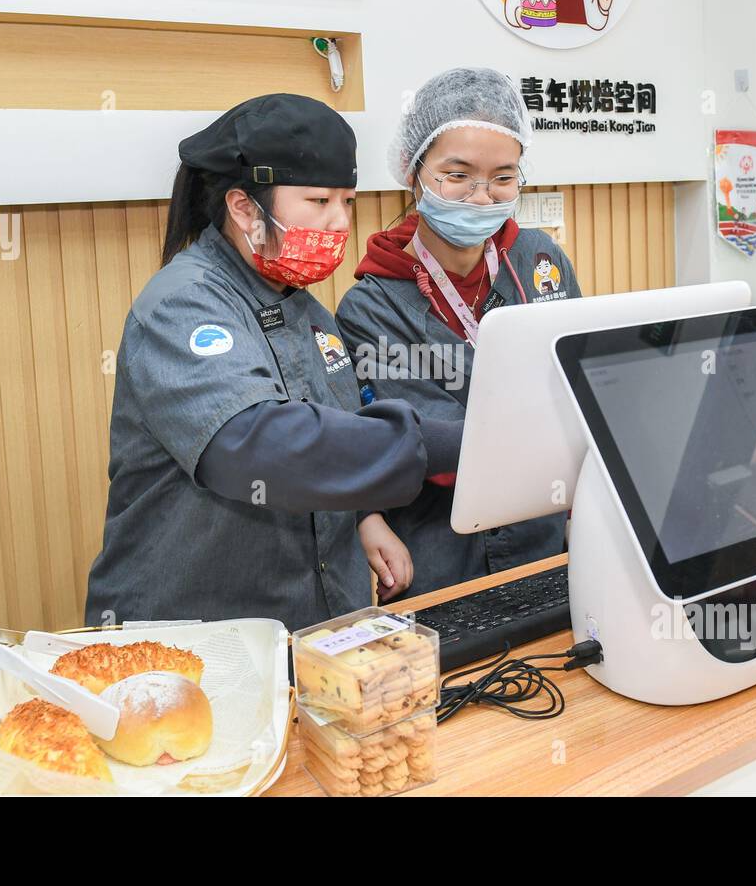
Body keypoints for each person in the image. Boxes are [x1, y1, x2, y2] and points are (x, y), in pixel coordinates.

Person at [84, 94, 465, 631]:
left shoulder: (313, 315)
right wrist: (443, 442)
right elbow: (258, 444)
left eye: (347, 202)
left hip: (317, 623)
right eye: (317, 200)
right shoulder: (182, 304)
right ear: (243, 208)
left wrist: (364, 518)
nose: (338, 222)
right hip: (199, 634)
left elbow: (334, 434)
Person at [335, 68, 581, 598]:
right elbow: (421, 443)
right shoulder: (372, 305)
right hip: (439, 553)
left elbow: (579, 382)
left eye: (503, 177)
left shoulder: (541, 261)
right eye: (458, 174)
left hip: (543, 535)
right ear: (413, 172)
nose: (480, 197)